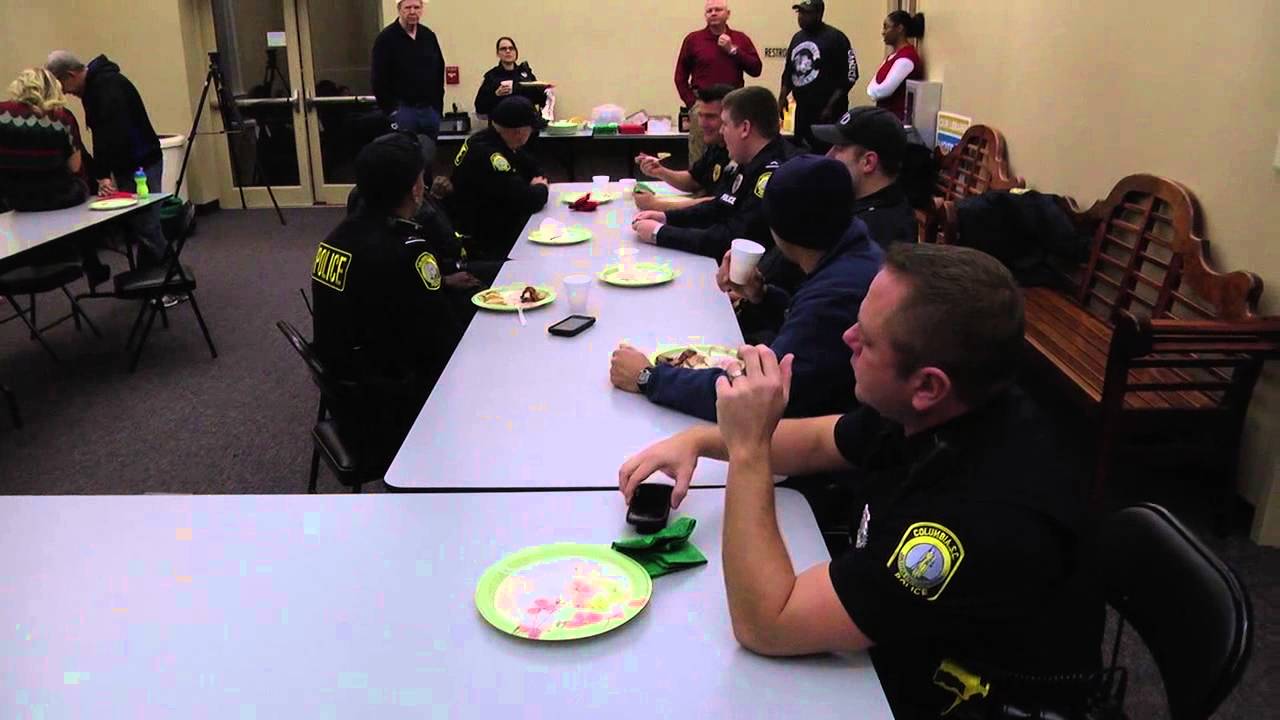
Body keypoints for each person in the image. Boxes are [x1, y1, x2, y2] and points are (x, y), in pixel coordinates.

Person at [617, 243, 1104, 718]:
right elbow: (816, 442)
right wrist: (703, 440)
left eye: (867, 339)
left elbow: (766, 622)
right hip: (897, 650)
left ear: (928, 385)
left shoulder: (975, 516)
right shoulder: (937, 405)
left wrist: (746, 452)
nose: (847, 337)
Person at [610, 155, 880, 422]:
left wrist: (649, 377)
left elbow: (758, 393)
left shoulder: (836, 293)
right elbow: (807, 332)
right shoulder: (854, 250)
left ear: (778, 227)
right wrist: (761, 296)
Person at [311, 133, 463, 476]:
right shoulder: (408, 249)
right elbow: (441, 345)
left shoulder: (333, 240)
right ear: (415, 189)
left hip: (347, 394)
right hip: (392, 407)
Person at [631, 87, 795, 267]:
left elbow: (731, 237)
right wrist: (666, 217)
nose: (722, 132)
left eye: (725, 124)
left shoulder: (775, 172)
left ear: (745, 128)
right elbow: (718, 206)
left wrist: (660, 233)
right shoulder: (750, 160)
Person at [47, 51, 165, 265]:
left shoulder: (104, 88)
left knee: (147, 226)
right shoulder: (100, 85)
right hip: (137, 161)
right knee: (142, 225)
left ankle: (171, 280)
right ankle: (150, 280)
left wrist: (103, 176)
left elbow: (108, 135)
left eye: (61, 84)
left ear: (71, 74)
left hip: (140, 163)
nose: (63, 91)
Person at [445, 97, 549, 262]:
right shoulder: (491, 155)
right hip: (485, 241)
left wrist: (536, 183)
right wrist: (541, 189)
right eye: (531, 129)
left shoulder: (490, 140)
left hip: (487, 227)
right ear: (519, 132)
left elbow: (534, 168)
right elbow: (526, 200)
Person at [814, 107, 918, 248]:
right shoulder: (867, 207)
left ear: (868, 162)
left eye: (839, 148)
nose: (828, 155)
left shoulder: (873, 235)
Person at [675, 1, 762, 164]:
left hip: (733, 106)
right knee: (699, 156)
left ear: (728, 14)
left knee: (733, 156)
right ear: (705, 15)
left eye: (718, 10)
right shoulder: (693, 39)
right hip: (703, 106)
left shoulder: (740, 39)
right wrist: (692, 103)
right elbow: (680, 76)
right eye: (709, 11)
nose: (713, 13)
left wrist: (733, 50)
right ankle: (699, 189)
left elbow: (756, 69)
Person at [633, 84, 734, 213]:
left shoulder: (740, 156)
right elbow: (694, 180)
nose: (702, 123)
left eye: (710, 117)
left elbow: (719, 203)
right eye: (700, 115)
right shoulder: (716, 146)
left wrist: (656, 205)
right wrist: (660, 171)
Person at [0, 68, 89, 213]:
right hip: (59, 199)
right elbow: (75, 166)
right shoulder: (63, 118)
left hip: (17, 200)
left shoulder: (3, 114)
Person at [779, 1, 858, 154]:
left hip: (827, 113)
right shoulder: (797, 38)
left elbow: (850, 75)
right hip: (802, 111)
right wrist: (782, 97)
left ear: (819, 14)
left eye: (806, 13)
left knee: (826, 154)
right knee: (802, 152)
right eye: (799, 13)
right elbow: (789, 71)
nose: (801, 17)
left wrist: (830, 106)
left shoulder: (836, 38)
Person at [372, 0, 446, 141]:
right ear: (399, 9)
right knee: (405, 156)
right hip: (403, 111)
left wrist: (437, 108)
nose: (412, 11)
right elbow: (378, 78)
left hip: (429, 111)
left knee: (428, 154)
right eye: (408, 7)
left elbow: (438, 70)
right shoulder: (386, 39)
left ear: (422, 9)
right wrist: (392, 111)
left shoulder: (428, 36)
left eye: (416, 7)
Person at [867, 10, 925, 122]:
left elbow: (883, 91)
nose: (883, 32)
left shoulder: (907, 57)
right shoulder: (892, 57)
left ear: (899, 29)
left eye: (886, 27)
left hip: (896, 122)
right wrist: (873, 91)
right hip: (884, 119)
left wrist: (872, 92)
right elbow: (874, 84)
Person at [474, 37, 551, 118]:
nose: (508, 51)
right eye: (503, 49)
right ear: (498, 54)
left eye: (511, 48)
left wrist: (545, 90)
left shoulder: (525, 73)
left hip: (526, 122)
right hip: (503, 124)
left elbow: (538, 99)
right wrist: (496, 95)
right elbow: (480, 107)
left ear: (516, 52)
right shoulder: (492, 76)